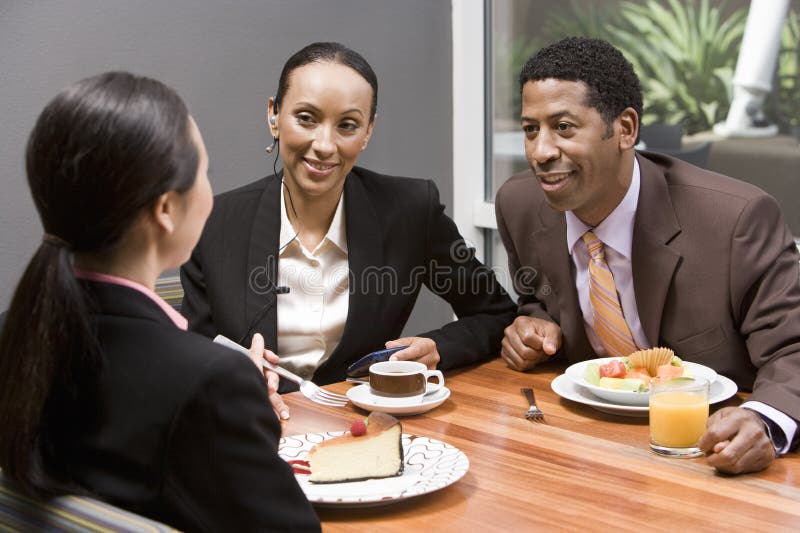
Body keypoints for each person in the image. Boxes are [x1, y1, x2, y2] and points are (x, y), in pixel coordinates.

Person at [0, 72, 319, 531]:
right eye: (204, 173)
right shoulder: (209, 386)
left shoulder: (16, 335)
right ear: (166, 210)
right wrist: (238, 409)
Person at [495, 37, 800, 474]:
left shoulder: (736, 220)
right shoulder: (520, 204)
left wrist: (765, 421)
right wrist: (533, 324)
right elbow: (540, 298)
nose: (540, 152)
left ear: (625, 129)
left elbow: (792, 347)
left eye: (563, 127)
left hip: (708, 456)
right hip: (583, 446)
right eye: (530, 129)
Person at [181, 42, 515, 410]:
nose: (325, 145)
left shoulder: (411, 211)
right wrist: (229, 372)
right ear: (273, 115)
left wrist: (440, 348)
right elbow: (188, 353)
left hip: (363, 430)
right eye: (306, 118)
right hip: (251, 432)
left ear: (368, 131)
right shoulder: (214, 222)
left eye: (348, 125)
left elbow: (496, 313)